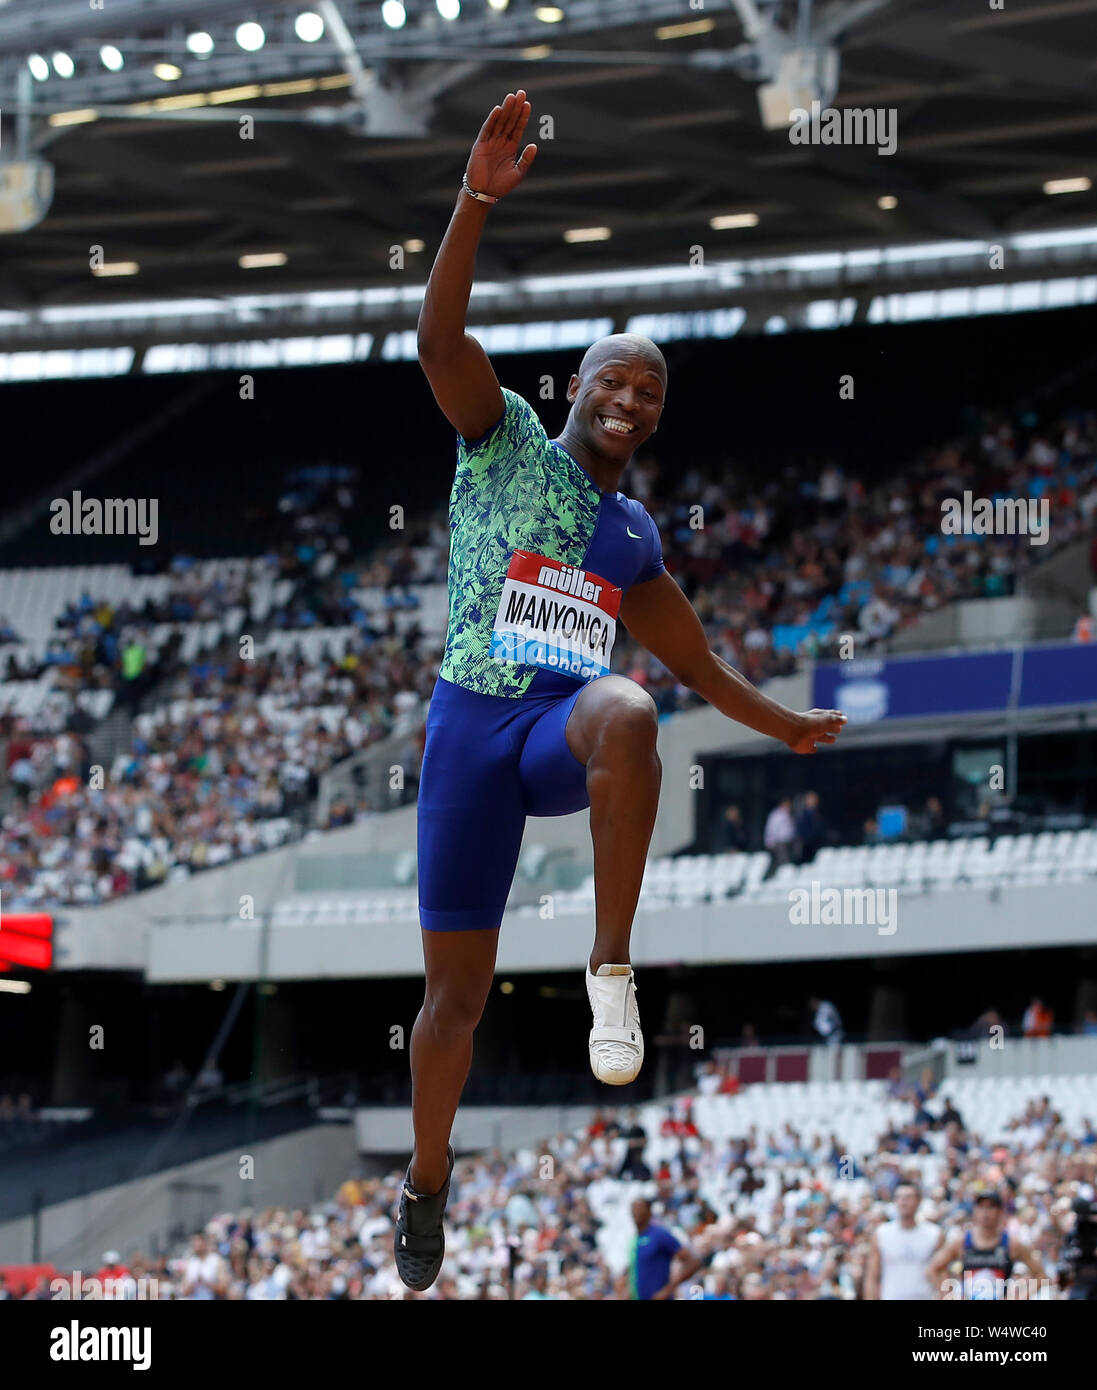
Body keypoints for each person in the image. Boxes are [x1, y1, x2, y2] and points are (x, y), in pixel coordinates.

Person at [395, 88, 849, 1292]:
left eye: (650, 392)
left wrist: (787, 721)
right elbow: (439, 342)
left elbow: (695, 668)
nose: (630, 399)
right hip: (464, 736)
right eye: (615, 379)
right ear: (578, 384)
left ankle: (611, 967)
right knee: (453, 1006)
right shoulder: (497, 443)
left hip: (555, 730)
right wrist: (475, 201)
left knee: (634, 709)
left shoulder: (630, 534)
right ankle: (425, 1176)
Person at [927, 1190, 1046, 1300]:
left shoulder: (1011, 1243)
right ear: (975, 1211)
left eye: (991, 1207)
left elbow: (1041, 1275)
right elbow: (933, 1269)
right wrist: (949, 1296)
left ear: (1000, 1211)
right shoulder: (963, 1241)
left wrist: (1020, 1297)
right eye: (981, 1207)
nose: (985, 1212)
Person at [864, 1181, 942, 1300]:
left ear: (919, 1201)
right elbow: (872, 1277)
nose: (903, 1202)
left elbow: (943, 1275)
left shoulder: (934, 1234)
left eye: (908, 1197)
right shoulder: (881, 1234)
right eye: (898, 1198)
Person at [628, 1198, 702, 1301]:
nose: (635, 1212)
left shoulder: (660, 1234)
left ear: (649, 1211)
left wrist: (668, 1290)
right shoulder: (635, 1240)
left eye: (640, 1208)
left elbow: (694, 1263)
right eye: (633, 1208)